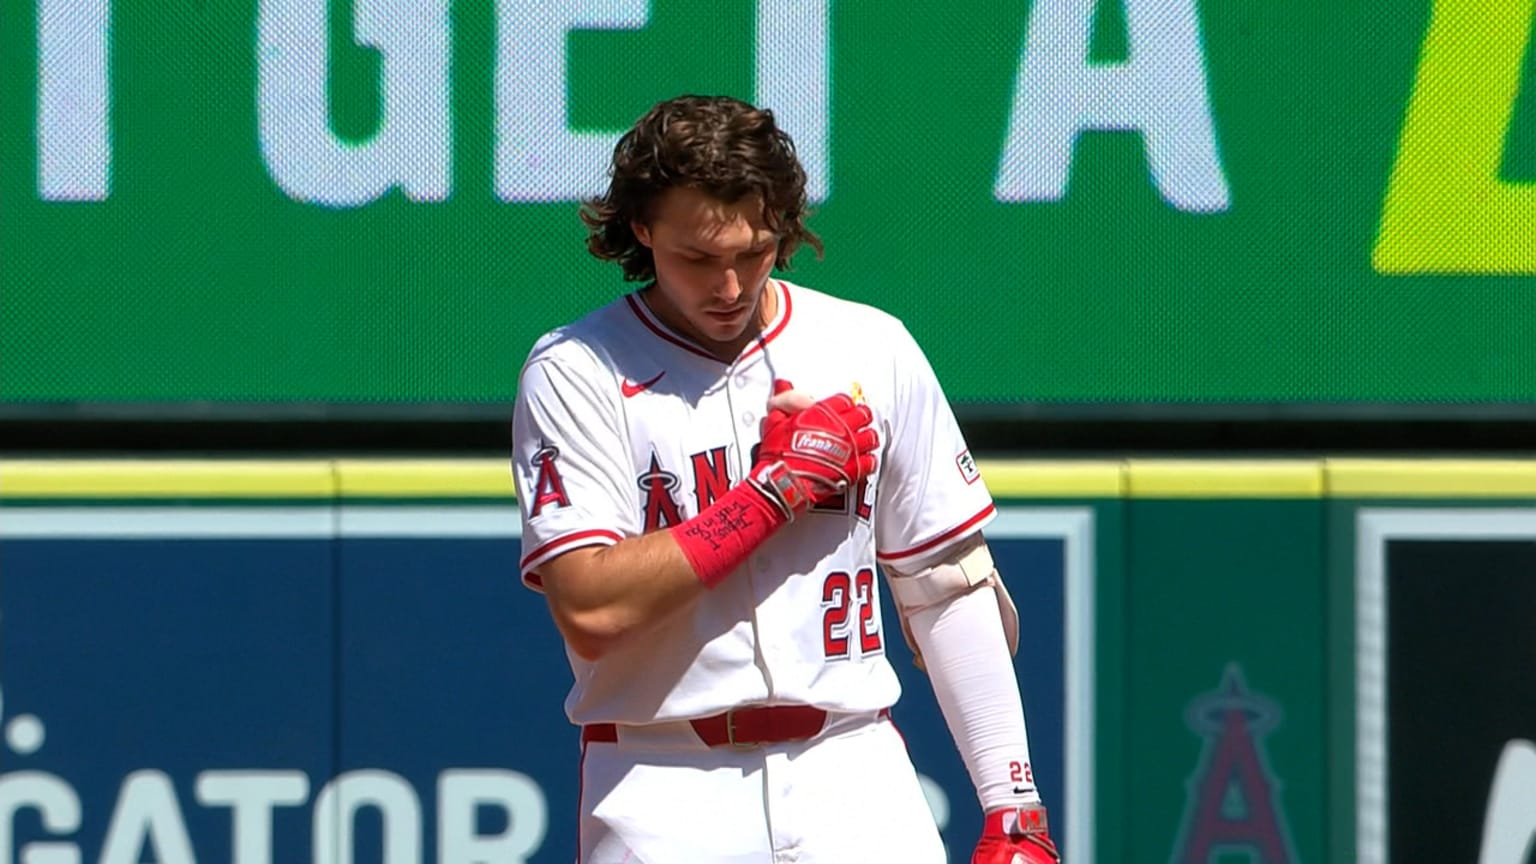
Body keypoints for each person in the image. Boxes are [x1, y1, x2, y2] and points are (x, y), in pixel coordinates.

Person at [511, 94, 1060, 864]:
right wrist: (773, 494)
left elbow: (947, 583)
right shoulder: (578, 370)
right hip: (663, 780)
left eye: (755, 251)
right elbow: (591, 606)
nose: (730, 286)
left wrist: (1013, 806)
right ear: (642, 229)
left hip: (854, 773)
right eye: (699, 258)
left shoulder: (868, 346)